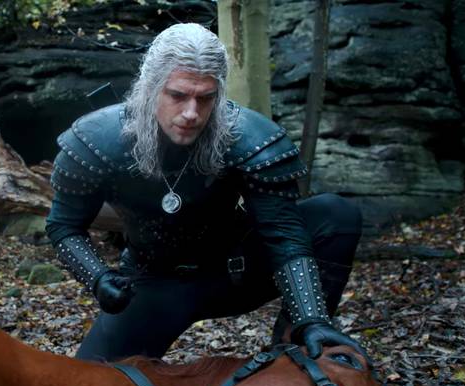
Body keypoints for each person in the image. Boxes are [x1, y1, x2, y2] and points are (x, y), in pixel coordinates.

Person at [45, 23, 368, 362]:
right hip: (152, 284)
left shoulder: (249, 138)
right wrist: (97, 278)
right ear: (150, 88)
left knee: (335, 216)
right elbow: (64, 225)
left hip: (236, 272)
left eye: (205, 98)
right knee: (88, 385)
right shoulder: (98, 140)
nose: (191, 113)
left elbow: (284, 234)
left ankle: (295, 347)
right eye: (177, 95)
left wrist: (312, 317)